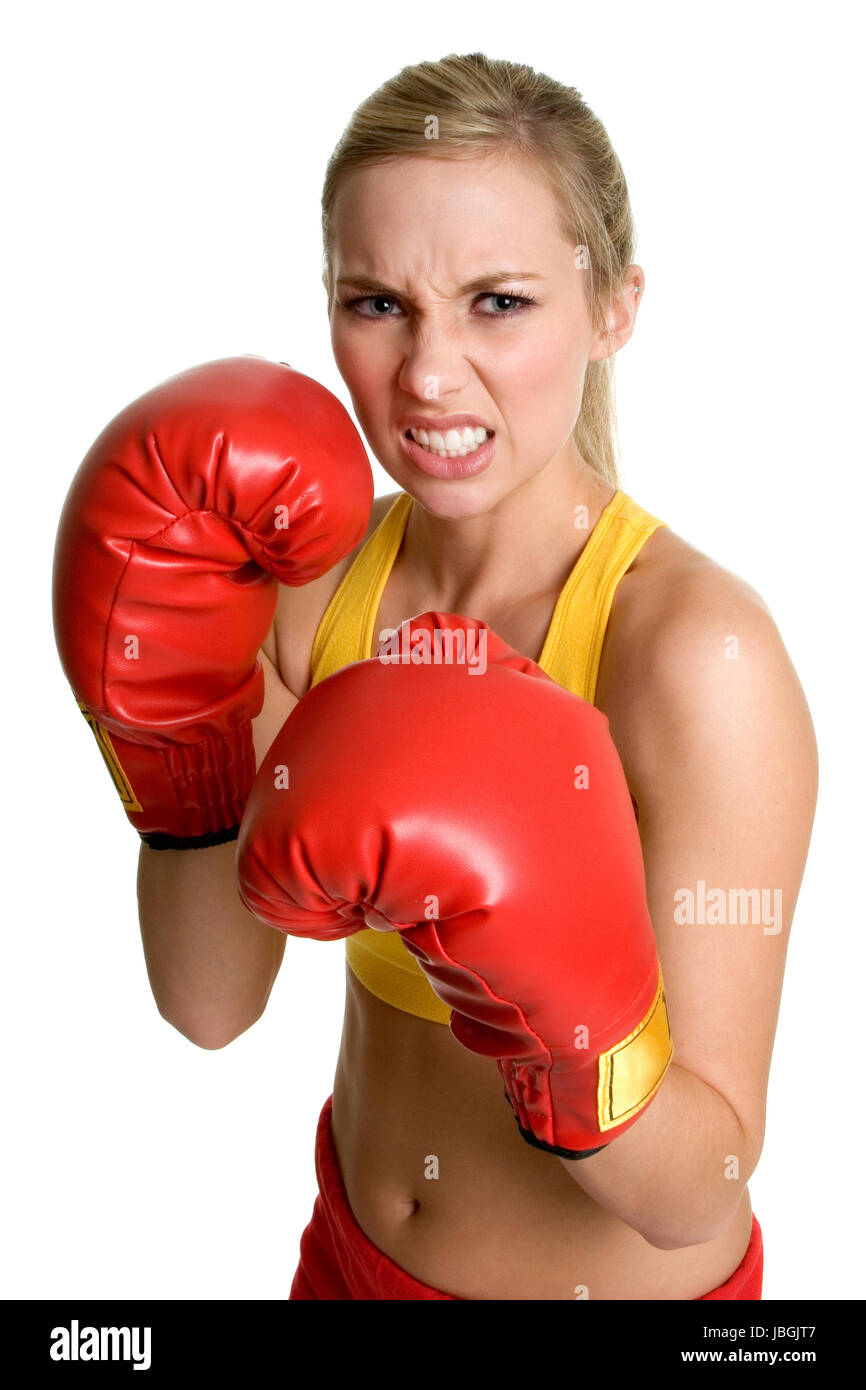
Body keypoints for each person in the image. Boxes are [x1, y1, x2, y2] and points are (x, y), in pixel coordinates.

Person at [55, 52, 818, 1301]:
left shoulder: (691, 658)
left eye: (498, 302)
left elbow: (702, 1190)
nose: (426, 372)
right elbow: (207, 1006)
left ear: (613, 307)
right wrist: (174, 737)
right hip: (342, 1257)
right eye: (378, 302)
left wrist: (570, 1029)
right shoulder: (309, 579)